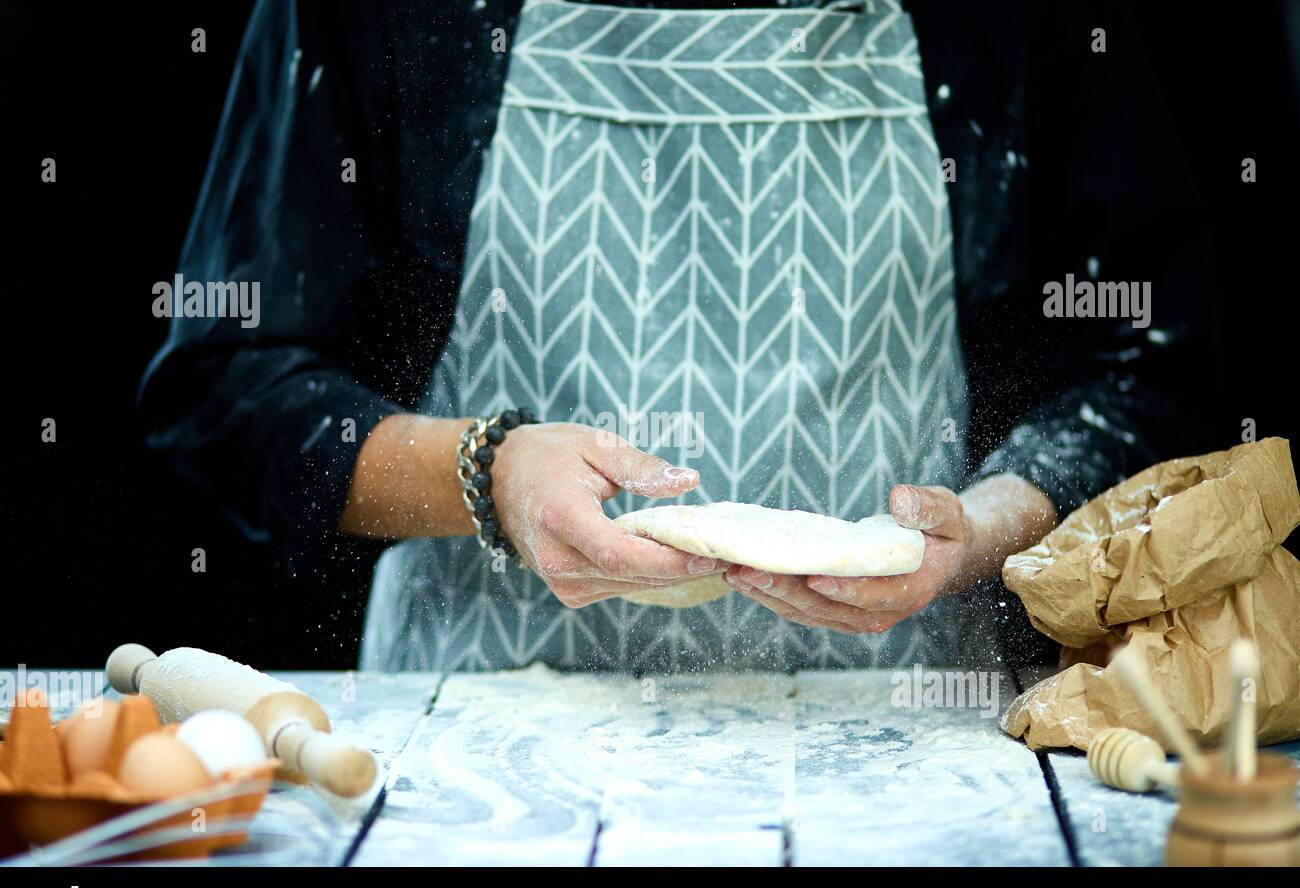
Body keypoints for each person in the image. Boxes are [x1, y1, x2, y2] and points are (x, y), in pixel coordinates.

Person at [140, 0, 1211, 672]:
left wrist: (974, 533)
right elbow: (222, 382)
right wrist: (489, 469)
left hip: (897, 739)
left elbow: (1151, 362)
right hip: (481, 747)